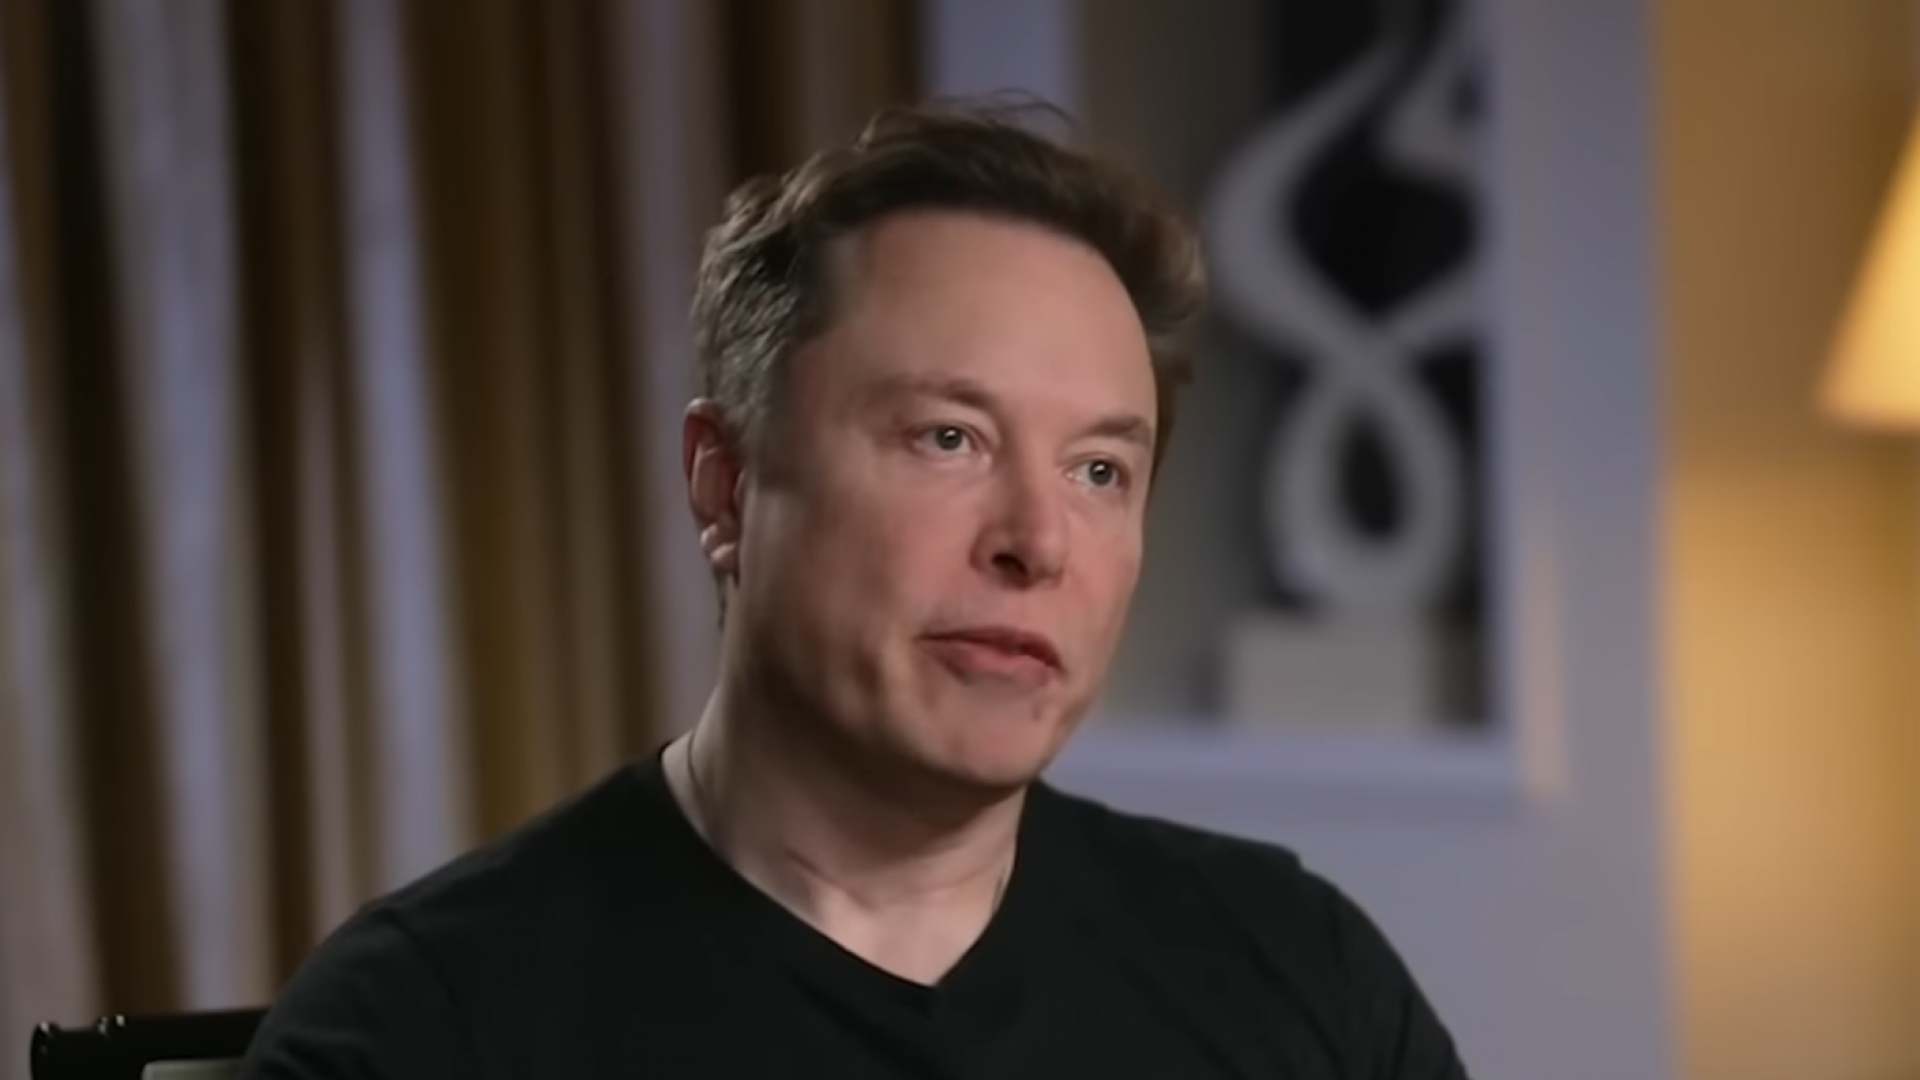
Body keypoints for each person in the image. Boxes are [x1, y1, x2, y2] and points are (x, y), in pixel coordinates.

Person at [239, 98, 1471, 1079]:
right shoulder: (425, 1025)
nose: (1037, 541)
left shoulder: (1299, 972)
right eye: (949, 439)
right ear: (726, 487)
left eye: (1099, 470)